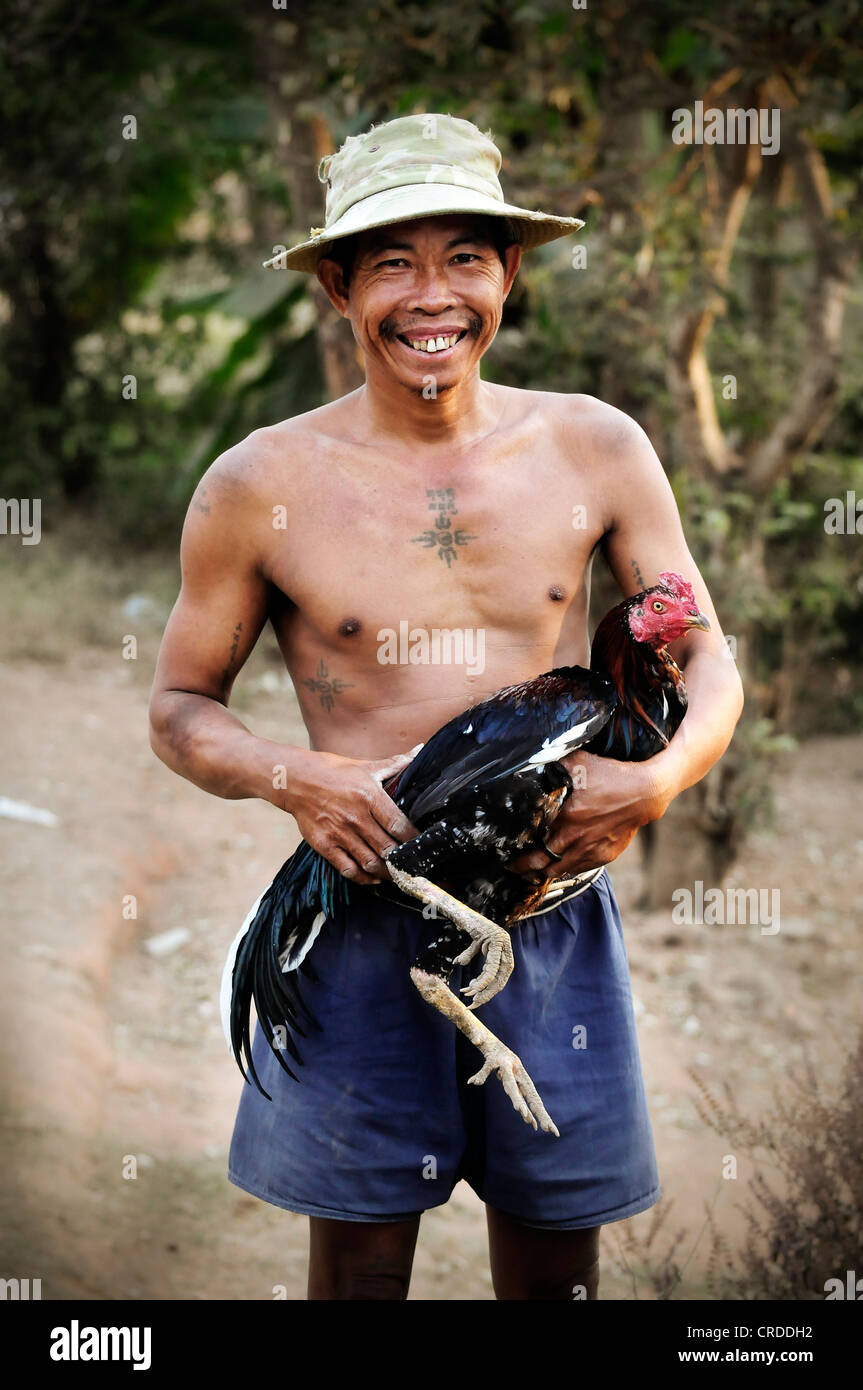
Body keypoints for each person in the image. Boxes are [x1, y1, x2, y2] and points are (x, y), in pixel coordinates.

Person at [148, 113, 744, 1300]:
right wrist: (293, 774)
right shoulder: (257, 483)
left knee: (555, 1263)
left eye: (464, 256)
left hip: (550, 912)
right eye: (389, 262)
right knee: (360, 1267)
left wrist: (657, 779)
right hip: (363, 915)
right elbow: (178, 706)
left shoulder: (594, 446)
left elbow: (710, 659)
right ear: (335, 286)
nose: (433, 296)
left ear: (508, 272)